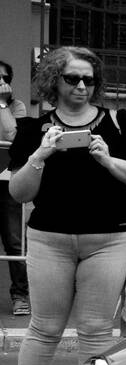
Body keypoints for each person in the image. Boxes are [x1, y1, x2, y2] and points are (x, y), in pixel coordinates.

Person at [5, 47, 126, 365]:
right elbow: (19, 193)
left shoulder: (120, 123)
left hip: (109, 238)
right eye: (72, 78)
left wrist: (108, 160)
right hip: (49, 238)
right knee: (45, 327)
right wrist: (41, 152)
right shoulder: (32, 128)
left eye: (88, 79)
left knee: (95, 331)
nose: (82, 86)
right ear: (54, 80)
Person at [0, 58, 30, 316]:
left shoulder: (16, 106)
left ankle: (21, 297)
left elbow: (14, 136)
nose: (1, 83)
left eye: (5, 79)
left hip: (8, 183)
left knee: (15, 240)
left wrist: (1, 104)